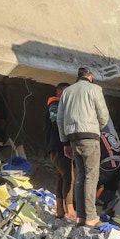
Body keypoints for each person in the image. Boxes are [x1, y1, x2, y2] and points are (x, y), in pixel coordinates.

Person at [56, 67, 110, 227]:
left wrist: (65, 142)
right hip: (90, 136)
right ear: (90, 76)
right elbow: (103, 115)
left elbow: (60, 119)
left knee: (80, 176)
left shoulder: (67, 92)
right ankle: (91, 217)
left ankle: (80, 217)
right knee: (91, 176)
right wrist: (98, 128)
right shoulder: (95, 89)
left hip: (73, 137)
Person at [45, 82, 76, 221]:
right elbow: (56, 121)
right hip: (59, 146)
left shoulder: (58, 105)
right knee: (69, 176)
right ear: (60, 93)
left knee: (61, 177)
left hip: (56, 146)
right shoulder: (55, 105)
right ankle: (69, 210)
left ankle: (60, 210)